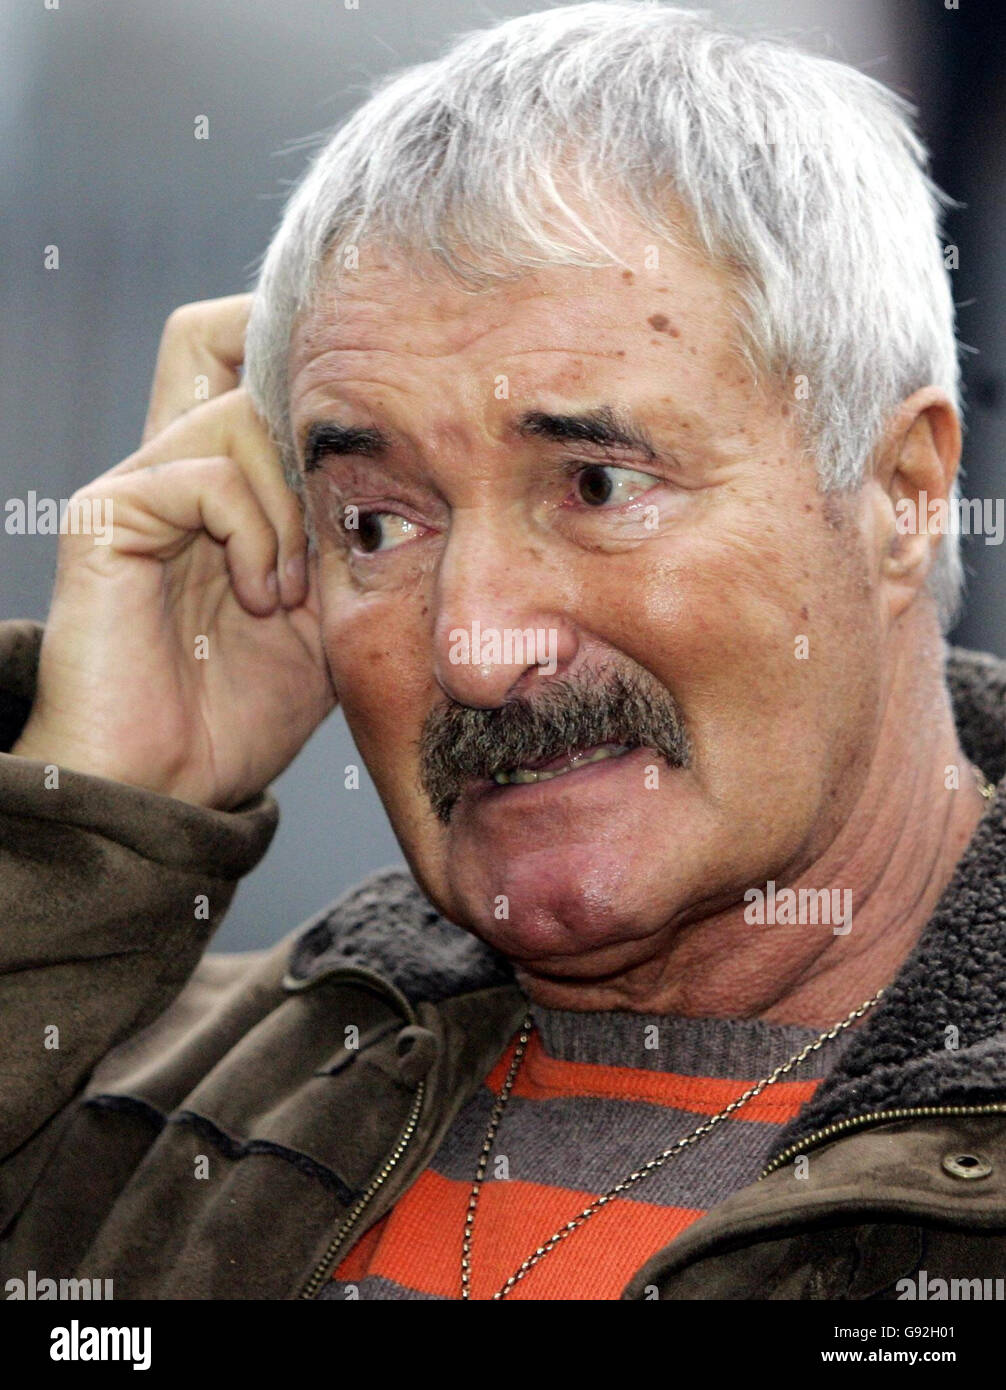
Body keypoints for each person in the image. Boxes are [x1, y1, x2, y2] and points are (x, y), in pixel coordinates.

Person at [2, 2, 1004, 1301]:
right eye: (376, 520)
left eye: (595, 485)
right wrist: (86, 822)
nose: (473, 646)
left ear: (899, 491)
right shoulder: (139, 1111)